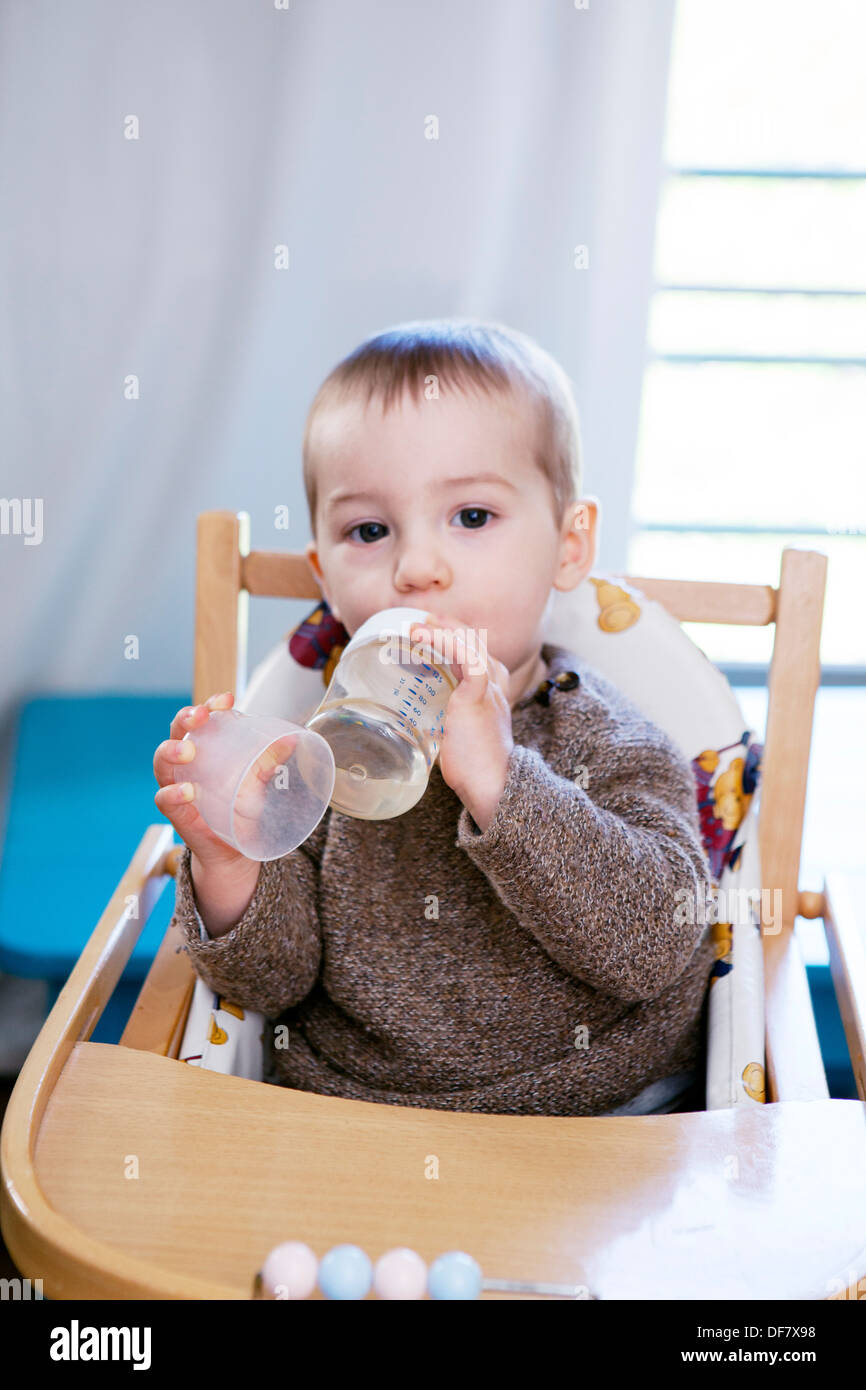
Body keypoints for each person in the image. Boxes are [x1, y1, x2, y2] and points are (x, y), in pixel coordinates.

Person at [153, 318, 715, 1116]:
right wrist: (231, 864)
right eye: (369, 531)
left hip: (594, 1124)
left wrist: (502, 783)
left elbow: (656, 943)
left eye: (473, 517)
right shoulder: (319, 753)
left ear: (567, 543)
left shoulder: (611, 739)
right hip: (352, 1114)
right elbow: (273, 984)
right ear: (325, 573)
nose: (417, 569)